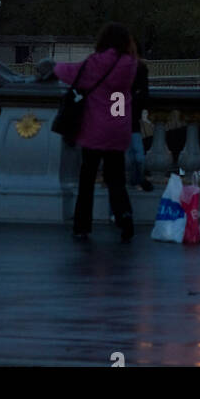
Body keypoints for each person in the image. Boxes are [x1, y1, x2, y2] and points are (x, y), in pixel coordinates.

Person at [54, 23, 138, 243]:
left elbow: (71, 73)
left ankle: (82, 226)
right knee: (116, 179)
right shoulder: (130, 64)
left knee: (87, 179)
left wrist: (52, 67)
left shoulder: (95, 63)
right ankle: (125, 218)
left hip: (94, 129)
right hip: (119, 128)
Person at [126, 41, 153, 191]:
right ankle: (135, 182)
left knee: (137, 156)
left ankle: (135, 181)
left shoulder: (140, 69)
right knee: (134, 155)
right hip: (123, 121)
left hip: (132, 121)